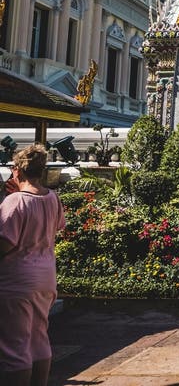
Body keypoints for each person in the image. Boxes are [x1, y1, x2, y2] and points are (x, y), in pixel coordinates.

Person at [0, 144, 65, 386]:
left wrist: (10, 197)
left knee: (14, 346)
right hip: (45, 278)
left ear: (17, 170)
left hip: (16, 281)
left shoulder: (15, 202)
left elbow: (5, 244)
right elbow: (55, 228)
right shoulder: (52, 198)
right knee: (38, 340)